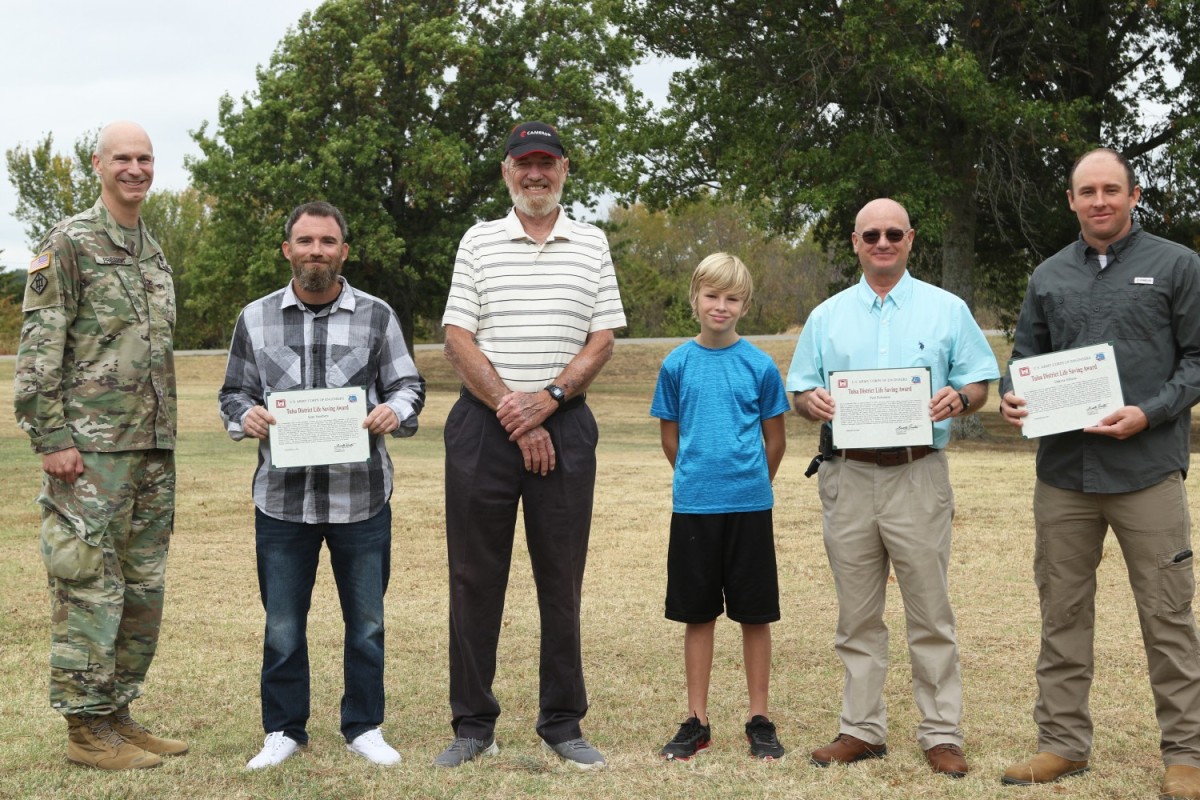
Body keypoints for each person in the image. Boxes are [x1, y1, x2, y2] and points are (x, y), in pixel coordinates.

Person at [998, 148, 1200, 800]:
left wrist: (1150, 413)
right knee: (1062, 614)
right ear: (1071, 200)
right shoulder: (1049, 275)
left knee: (1168, 618)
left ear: (1134, 194)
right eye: (1088, 191)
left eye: (1112, 189)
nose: (1100, 201)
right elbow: (1025, 359)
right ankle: (1061, 743)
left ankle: (1187, 755)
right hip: (1065, 478)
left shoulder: (1178, 265)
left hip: (1147, 473)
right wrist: (1011, 395)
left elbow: (1197, 361)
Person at [435, 121, 626, 770]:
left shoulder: (592, 243)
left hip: (565, 422)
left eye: (547, 163)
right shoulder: (479, 241)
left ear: (565, 170)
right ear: (507, 172)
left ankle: (563, 721)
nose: (536, 174)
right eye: (525, 164)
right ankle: (472, 724)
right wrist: (517, 412)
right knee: (473, 578)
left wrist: (549, 398)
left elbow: (601, 340)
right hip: (483, 428)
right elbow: (457, 337)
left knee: (561, 579)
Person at [786, 198, 998, 778]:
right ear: (855, 242)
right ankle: (861, 729)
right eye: (871, 234)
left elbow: (980, 380)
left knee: (930, 612)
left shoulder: (946, 310)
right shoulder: (827, 316)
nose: (883, 242)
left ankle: (941, 733)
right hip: (848, 475)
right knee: (857, 615)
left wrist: (961, 397)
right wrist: (812, 403)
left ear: (910, 239)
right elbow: (800, 391)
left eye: (894, 233)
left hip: (917, 473)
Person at [218, 201, 426, 770]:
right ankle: (284, 729)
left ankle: (364, 726)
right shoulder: (254, 318)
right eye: (305, 241)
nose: (317, 251)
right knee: (282, 625)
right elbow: (232, 393)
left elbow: (409, 385)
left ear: (344, 251)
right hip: (282, 503)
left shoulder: (377, 316)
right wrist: (247, 418)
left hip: (361, 498)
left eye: (328, 241)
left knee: (367, 624)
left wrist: (392, 410)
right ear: (287, 249)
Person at [13, 121, 185, 771]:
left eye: (144, 158)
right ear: (98, 164)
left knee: (142, 589)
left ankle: (115, 712)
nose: (135, 168)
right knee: (88, 585)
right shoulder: (69, 244)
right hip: (88, 453)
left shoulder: (152, 251)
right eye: (123, 158)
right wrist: (51, 437)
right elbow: (38, 352)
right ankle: (84, 729)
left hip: (149, 450)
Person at [650, 253, 789, 762]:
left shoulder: (759, 365)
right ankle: (697, 719)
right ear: (695, 298)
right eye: (712, 296)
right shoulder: (676, 365)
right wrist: (697, 478)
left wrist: (750, 482)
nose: (721, 306)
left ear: (745, 305)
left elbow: (776, 440)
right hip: (694, 508)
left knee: (755, 615)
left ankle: (759, 716)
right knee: (698, 614)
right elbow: (671, 438)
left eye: (732, 298)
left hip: (750, 506)